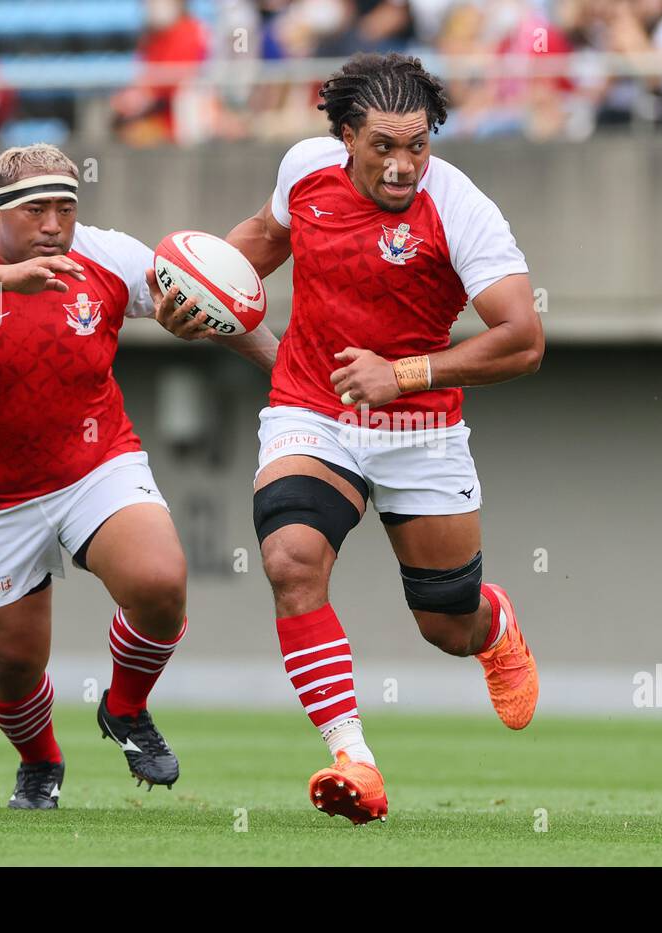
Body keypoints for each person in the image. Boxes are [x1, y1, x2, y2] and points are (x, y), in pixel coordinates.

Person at [154, 52, 545, 825]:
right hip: (312, 409)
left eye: (418, 146)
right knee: (290, 560)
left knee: (445, 626)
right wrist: (198, 294)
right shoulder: (304, 171)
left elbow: (524, 340)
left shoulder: (461, 209)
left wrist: (402, 376)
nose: (403, 167)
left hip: (419, 429)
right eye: (383, 148)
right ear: (343, 137)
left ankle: (492, 624)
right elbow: (262, 242)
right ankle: (353, 759)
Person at [0, 144, 199, 809]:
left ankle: (124, 709)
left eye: (65, 207)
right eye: (36, 210)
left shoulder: (107, 254)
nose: (54, 225)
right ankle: (41, 765)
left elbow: (192, 293)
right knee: (12, 663)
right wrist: (10, 280)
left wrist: (270, 354)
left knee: (159, 580)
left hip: (95, 465)